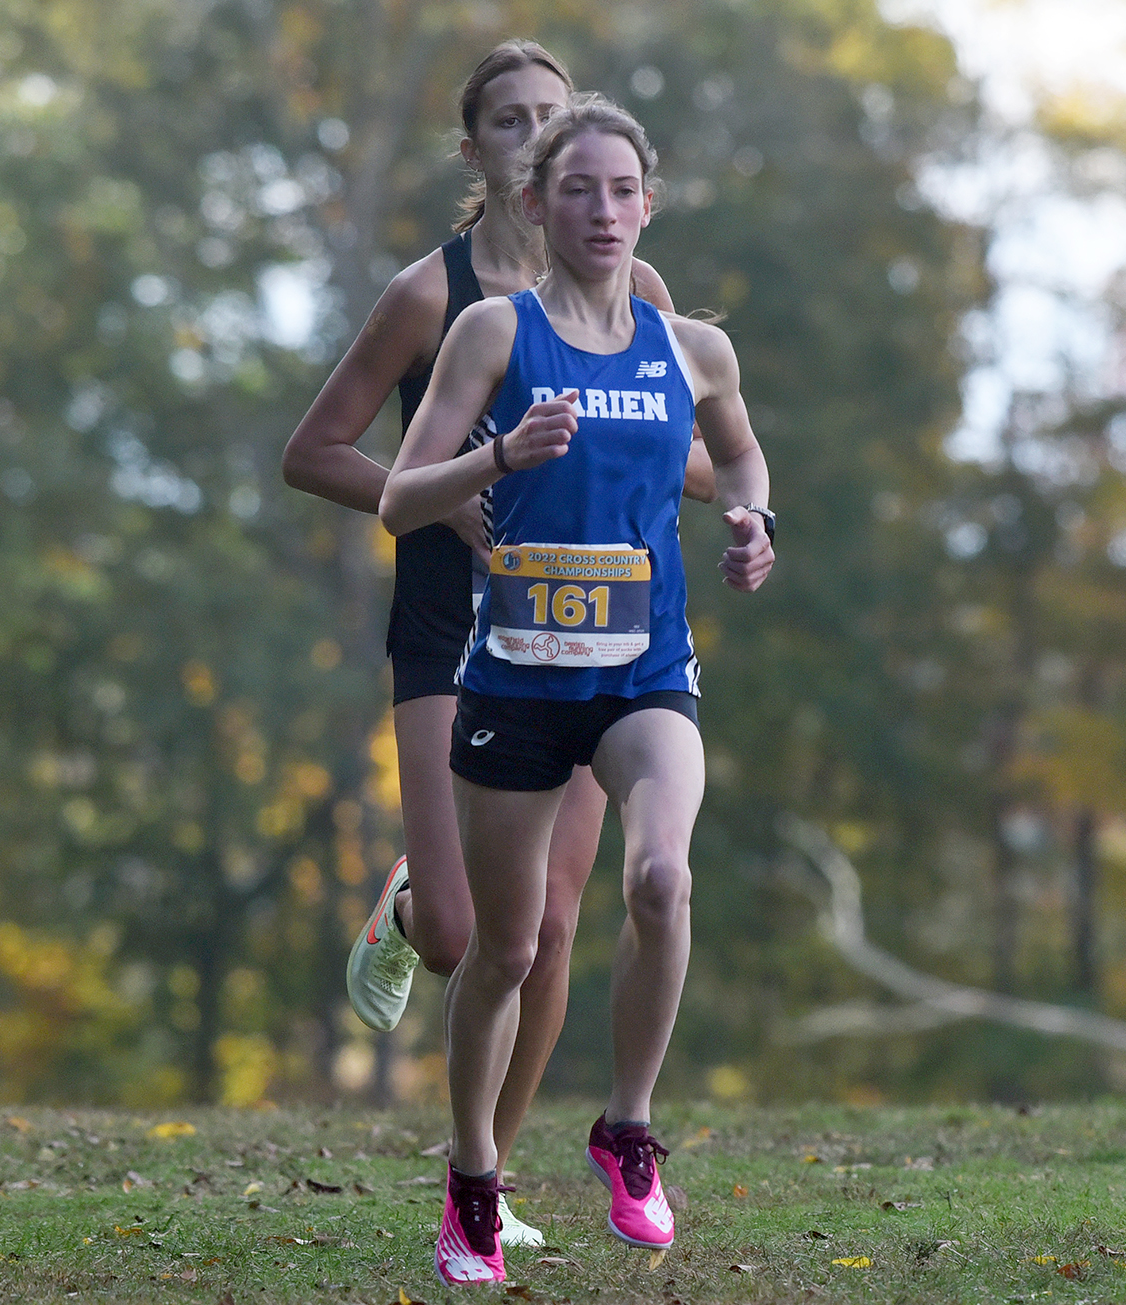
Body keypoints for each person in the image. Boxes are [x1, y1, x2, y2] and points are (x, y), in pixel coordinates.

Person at [281, 41, 711, 1247]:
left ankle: (492, 1179)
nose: (535, 136)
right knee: (471, 936)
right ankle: (414, 899)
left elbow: (665, 445)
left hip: (598, 638)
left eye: (552, 117)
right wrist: (467, 487)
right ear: (479, 156)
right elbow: (315, 454)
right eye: (509, 122)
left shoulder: (647, 295)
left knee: (557, 924)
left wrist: (736, 495)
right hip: (454, 626)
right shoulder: (438, 296)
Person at [380, 93, 774, 1284]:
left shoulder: (693, 347)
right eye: (576, 189)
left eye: (621, 191)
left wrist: (754, 515)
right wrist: (498, 456)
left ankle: (629, 1127)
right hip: (515, 677)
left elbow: (742, 451)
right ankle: (472, 1177)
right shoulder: (492, 335)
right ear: (537, 205)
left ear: (649, 204)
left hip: (646, 673)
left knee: (661, 876)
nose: (601, 211)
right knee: (506, 952)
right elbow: (402, 497)